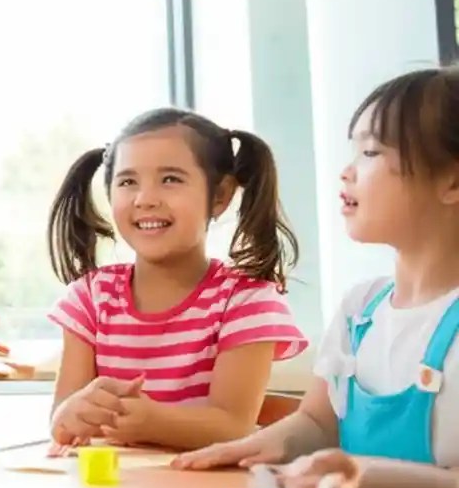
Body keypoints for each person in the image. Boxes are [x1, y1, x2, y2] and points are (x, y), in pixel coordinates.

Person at [175, 68, 459, 488]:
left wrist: (365, 475)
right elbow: (317, 423)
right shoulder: (360, 309)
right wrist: (248, 448)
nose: (346, 171)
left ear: (453, 182)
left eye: (370, 151)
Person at [45, 107, 308, 452]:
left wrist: (152, 422)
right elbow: (61, 422)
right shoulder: (90, 298)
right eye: (127, 182)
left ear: (220, 196)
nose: (146, 199)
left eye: (170, 179)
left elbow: (234, 424)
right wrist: (71, 414)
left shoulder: (247, 302)